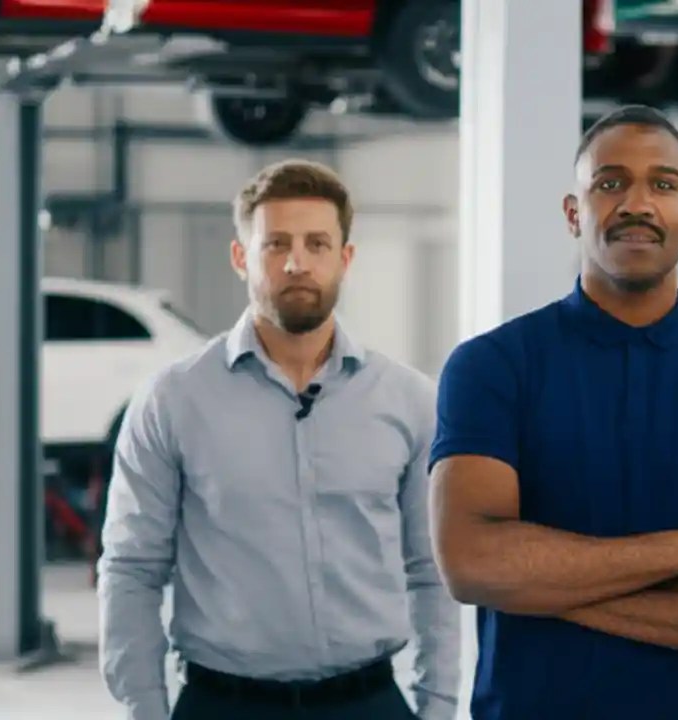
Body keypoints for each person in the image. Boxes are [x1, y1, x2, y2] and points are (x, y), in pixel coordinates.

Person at [428, 104, 678, 720]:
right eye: (610, 183)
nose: (637, 203)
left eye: (663, 185)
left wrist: (546, 587)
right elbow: (473, 563)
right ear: (573, 213)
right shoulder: (492, 367)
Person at [98, 159, 461, 720]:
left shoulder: (408, 400)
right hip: (222, 705)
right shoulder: (173, 400)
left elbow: (432, 568)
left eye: (317, 244)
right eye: (275, 244)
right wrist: (145, 707)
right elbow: (132, 566)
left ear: (345, 258)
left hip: (368, 704)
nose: (297, 263)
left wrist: (437, 706)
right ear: (240, 257)